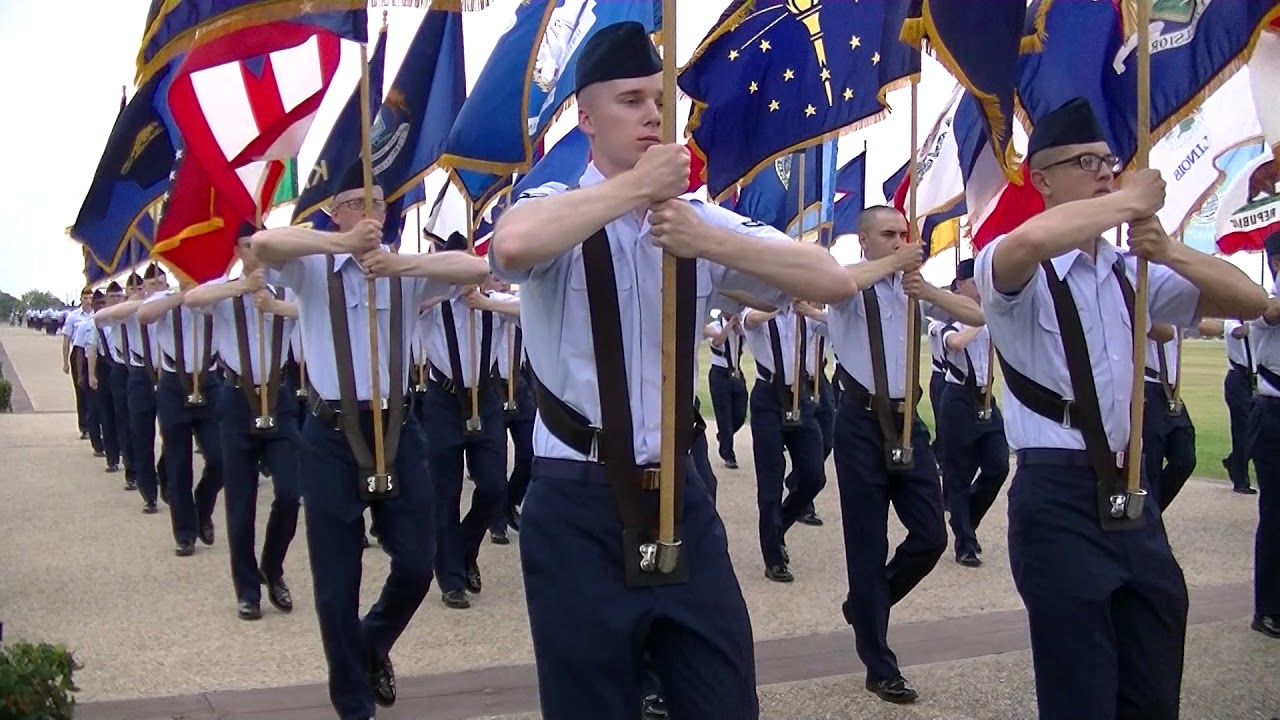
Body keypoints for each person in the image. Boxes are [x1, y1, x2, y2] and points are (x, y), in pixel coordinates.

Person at [488, 20, 853, 719]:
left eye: (659, 100)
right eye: (630, 100)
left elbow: (830, 279)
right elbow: (512, 247)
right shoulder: (551, 206)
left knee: (724, 698)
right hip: (577, 498)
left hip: (679, 493)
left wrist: (707, 238)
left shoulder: (695, 222)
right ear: (586, 119)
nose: (652, 114)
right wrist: (634, 191)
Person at [975, 97, 1268, 718]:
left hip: (1130, 482)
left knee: (1155, 658)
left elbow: (1251, 302)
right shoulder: (1014, 264)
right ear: (1042, 180)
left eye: (1108, 161)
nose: (1106, 172)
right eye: (1086, 162)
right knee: (1080, 691)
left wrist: (1170, 251)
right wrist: (1131, 201)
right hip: (1057, 492)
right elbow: (1030, 240)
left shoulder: (1128, 272)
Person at [253, 163, 489, 719]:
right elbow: (263, 245)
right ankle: (353, 705)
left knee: (418, 562)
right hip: (331, 434)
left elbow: (476, 266)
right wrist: (340, 245)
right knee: (337, 584)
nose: (371, 213)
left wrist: (403, 263)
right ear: (336, 213)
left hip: (397, 428)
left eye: (378, 203)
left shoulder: (402, 269)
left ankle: (370, 643)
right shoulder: (314, 265)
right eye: (357, 203)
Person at [823, 206, 983, 704]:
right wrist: (892, 266)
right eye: (889, 234)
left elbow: (978, 317)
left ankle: (866, 606)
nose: (900, 241)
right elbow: (834, 284)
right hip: (860, 422)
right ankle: (880, 665)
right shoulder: (850, 284)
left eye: (903, 233)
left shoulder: (911, 289)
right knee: (867, 544)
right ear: (865, 240)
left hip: (909, 423)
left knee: (931, 536)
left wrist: (929, 291)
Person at [185, 224, 303, 621]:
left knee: (290, 491)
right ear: (237, 251)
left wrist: (275, 306)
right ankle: (247, 589)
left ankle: (273, 565)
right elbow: (192, 298)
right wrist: (240, 287)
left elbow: (312, 314)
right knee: (241, 502)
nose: (257, 251)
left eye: (261, 245)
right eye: (248, 246)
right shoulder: (224, 289)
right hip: (236, 398)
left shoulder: (287, 288)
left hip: (278, 395)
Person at [414, 231, 512, 610]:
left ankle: (465, 547)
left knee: (494, 487)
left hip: (485, 398)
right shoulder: (432, 304)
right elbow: (412, 307)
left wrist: (485, 301)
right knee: (445, 492)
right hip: (443, 398)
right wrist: (449, 291)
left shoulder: (492, 303)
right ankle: (451, 577)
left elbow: (529, 310)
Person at [137, 275, 224, 556]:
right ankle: (185, 533)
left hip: (209, 381)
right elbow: (144, 316)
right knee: (179, 463)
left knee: (221, 458)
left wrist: (203, 294)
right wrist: (181, 297)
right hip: (174, 385)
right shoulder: (164, 298)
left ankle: (203, 506)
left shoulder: (217, 294)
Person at [740, 301, 826, 582]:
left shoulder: (806, 316)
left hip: (800, 396)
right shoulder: (759, 308)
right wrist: (780, 305)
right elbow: (751, 319)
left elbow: (835, 325)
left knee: (814, 476)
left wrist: (809, 310)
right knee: (770, 482)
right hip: (768, 397)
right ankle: (773, 558)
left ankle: (780, 524)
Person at [936, 260, 1006, 567]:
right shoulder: (942, 320)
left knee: (998, 466)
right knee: (959, 474)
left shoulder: (991, 316)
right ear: (960, 285)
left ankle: (966, 520)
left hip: (985, 397)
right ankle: (964, 541)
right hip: (958, 399)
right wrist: (981, 317)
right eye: (975, 282)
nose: (980, 288)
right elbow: (956, 342)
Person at [1246, 231, 1280, 640]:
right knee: (1276, 514)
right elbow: (1269, 313)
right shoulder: (1260, 302)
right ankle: (1269, 607)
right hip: (1274, 413)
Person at [1141, 324, 1197, 510]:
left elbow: (1208, 325)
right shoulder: (1142, 305)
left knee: (1185, 459)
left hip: (1170, 388)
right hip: (1144, 383)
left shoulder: (1174, 309)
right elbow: (1164, 332)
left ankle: (1152, 513)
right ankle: (1149, 518)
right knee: (1150, 465)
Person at [86, 283, 127, 477]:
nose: (116, 300)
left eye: (120, 296)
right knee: (108, 414)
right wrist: (91, 375)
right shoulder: (99, 321)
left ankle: (129, 457)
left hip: (127, 367)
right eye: (112, 297)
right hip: (106, 367)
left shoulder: (131, 316)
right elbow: (92, 349)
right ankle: (112, 457)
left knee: (125, 416)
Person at [703, 311, 748, 469]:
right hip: (720, 374)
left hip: (736, 372)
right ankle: (728, 454)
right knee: (724, 417)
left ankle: (723, 436)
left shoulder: (740, 327)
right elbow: (717, 341)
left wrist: (739, 328)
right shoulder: (715, 326)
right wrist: (729, 325)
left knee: (740, 414)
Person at [61, 288, 97, 444]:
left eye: (91, 298)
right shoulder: (73, 317)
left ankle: (95, 424)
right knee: (81, 390)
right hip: (79, 354)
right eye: (86, 298)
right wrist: (65, 362)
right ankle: (84, 426)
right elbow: (66, 340)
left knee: (95, 391)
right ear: (81, 299)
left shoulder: (98, 314)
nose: (88, 301)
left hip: (94, 353)